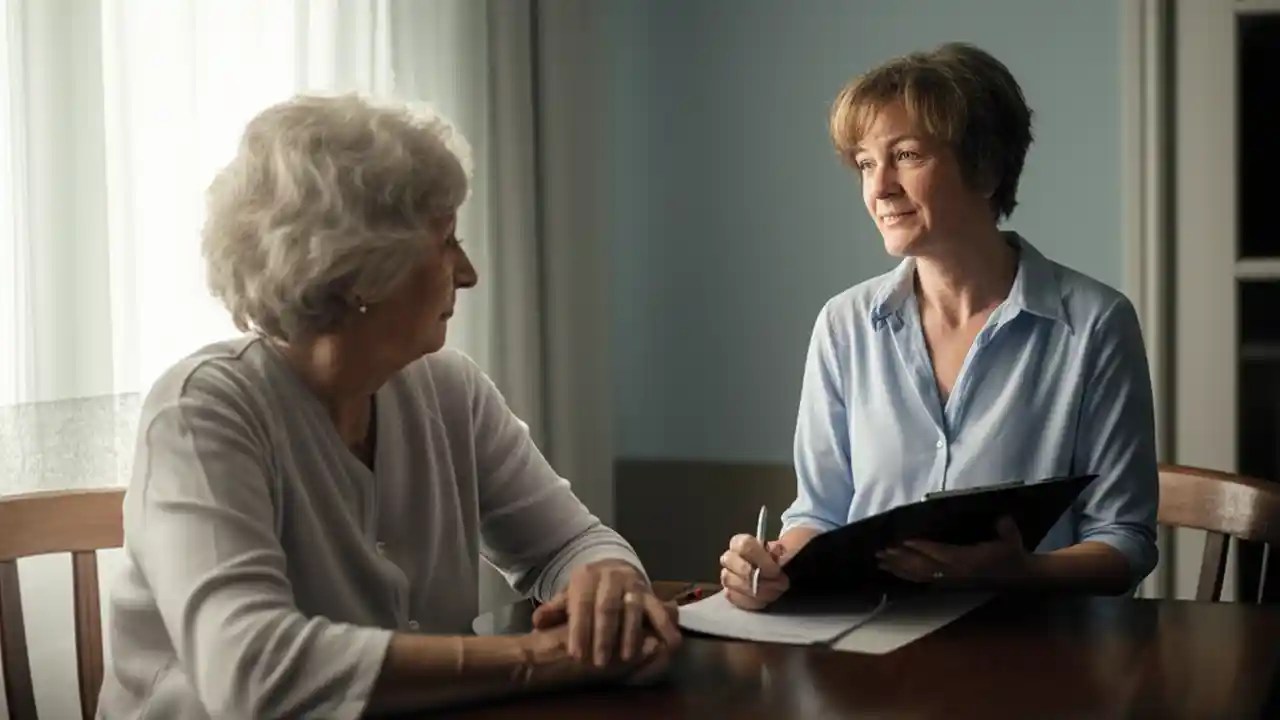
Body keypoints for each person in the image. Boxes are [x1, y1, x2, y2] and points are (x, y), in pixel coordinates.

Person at [97, 94, 680, 719]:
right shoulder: (199, 414)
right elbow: (254, 674)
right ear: (358, 271)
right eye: (446, 242)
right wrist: (549, 658)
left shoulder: (449, 391)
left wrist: (609, 584)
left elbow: (570, 544)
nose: (469, 273)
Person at [718, 43, 1158, 610]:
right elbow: (819, 513)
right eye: (866, 163)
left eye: (905, 155)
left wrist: (1020, 572)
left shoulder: (1095, 324)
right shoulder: (843, 325)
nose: (879, 189)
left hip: (1037, 656)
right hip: (869, 656)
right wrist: (775, 568)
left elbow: (1124, 542)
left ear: (986, 167)